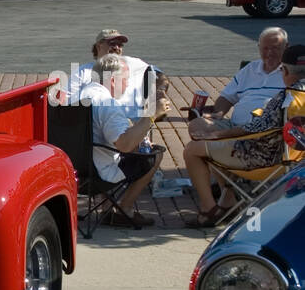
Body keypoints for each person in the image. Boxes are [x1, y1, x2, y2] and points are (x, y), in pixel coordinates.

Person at [184, 42, 305, 227]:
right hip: (296, 159)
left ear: (286, 71)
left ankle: (209, 210)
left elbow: (256, 129)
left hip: (264, 158)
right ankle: (227, 201)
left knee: (193, 150)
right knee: (217, 147)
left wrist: (219, 134)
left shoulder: (287, 97)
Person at [79, 53, 166, 227]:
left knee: (107, 147)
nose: (127, 86)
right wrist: (152, 116)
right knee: (154, 154)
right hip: (100, 174)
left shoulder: (77, 98)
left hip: (75, 171)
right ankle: (124, 209)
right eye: (125, 80)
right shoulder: (108, 103)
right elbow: (125, 145)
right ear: (113, 80)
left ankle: (106, 209)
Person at [66, 28, 170, 117]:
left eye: (120, 45)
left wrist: (160, 91)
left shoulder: (132, 62)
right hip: (101, 125)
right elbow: (68, 102)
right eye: (112, 43)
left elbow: (157, 74)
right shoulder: (83, 72)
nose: (117, 48)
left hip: (134, 125)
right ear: (98, 46)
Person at [207, 26, 287, 126]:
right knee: (199, 124)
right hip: (234, 127)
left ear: (286, 47)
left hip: (264, 131)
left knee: (204, 138)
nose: (269, 53)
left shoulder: (290, 73)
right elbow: (226, 97)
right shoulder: (250, 68)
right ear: (259, 47)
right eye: (265, 48)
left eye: (275, 48)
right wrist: (219, 113)